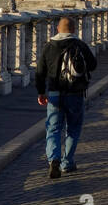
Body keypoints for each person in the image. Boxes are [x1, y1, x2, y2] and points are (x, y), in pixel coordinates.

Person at [36, 16, 98, 179]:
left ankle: (53, 159)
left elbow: (40, 72)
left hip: (55, 93)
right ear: (74, 29)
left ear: (57, 29)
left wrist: (41, 91)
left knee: (53, 128)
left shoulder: (49, 46)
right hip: (75, 94)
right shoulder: (80, 45)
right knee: (73, 129)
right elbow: (93, 65)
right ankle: (67, 162)